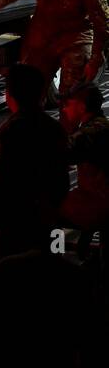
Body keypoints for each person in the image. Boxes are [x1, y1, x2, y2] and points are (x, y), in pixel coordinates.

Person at [0, 64, 70, 279]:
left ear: (10, 95)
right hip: (45, 221)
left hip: (12, 223)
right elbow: (62, 180)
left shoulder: (10, 131)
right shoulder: (55, 130)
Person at [59, 82, 109, 265]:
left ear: (81, 106)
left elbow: (61, 155)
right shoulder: (101, 126)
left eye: (68, 103)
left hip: (99, 204)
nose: (64, 108)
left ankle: (55, 256)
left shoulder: (88, 133)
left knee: (49, 214)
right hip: (99, 201)